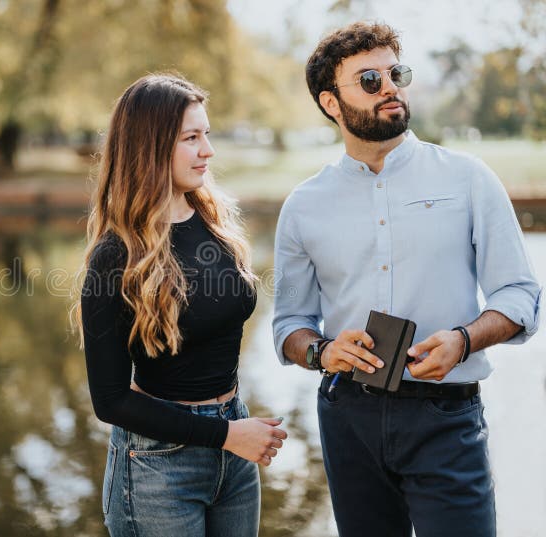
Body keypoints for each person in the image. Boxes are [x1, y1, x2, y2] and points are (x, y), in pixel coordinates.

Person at [272, 21, 541, 537]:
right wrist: (321, 352)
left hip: (446, 419)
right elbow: (289, 324)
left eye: (396, 73)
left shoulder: (468, 179)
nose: (391, 87)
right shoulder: (303, 207)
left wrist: (464, 340)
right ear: (331, 104)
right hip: (347, 416)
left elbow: (520, 294)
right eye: (369, 80)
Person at [75, 73, 287, 537]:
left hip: (234, 449)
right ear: (149, 148)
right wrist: (228, 435)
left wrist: (234, 431)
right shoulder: (115, 256)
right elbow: (110, 401)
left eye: (206, 134)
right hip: (157, 466)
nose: (207, 150)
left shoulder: (216, 225)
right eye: (191, 138)